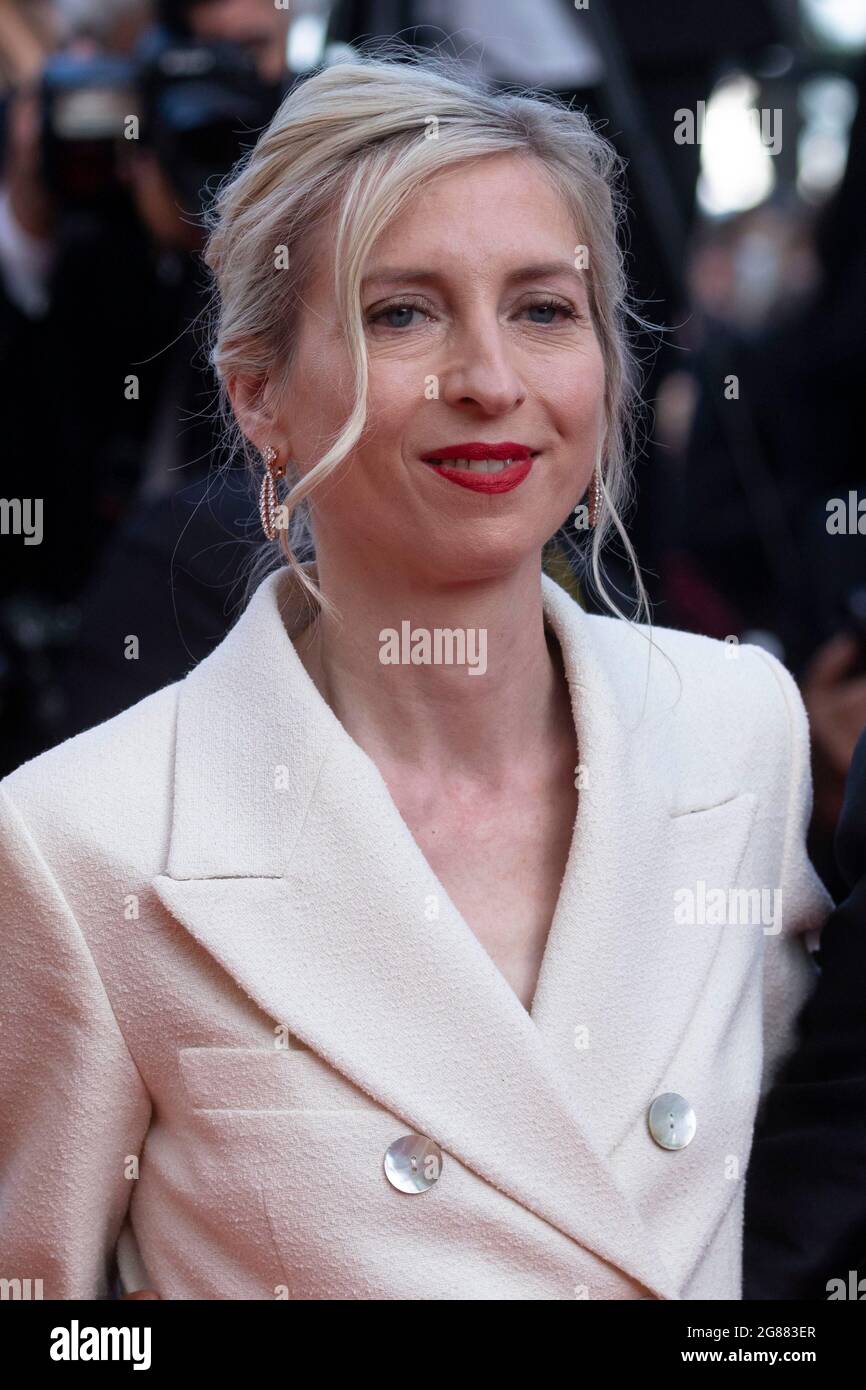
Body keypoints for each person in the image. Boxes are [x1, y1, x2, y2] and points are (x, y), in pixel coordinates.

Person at [0, 49, 832, 1301]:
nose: (489, 383)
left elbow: (783, 1207)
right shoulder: (84, 845)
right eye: (403, 312)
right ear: (259, 395)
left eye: (543, 310)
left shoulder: (736, 734)